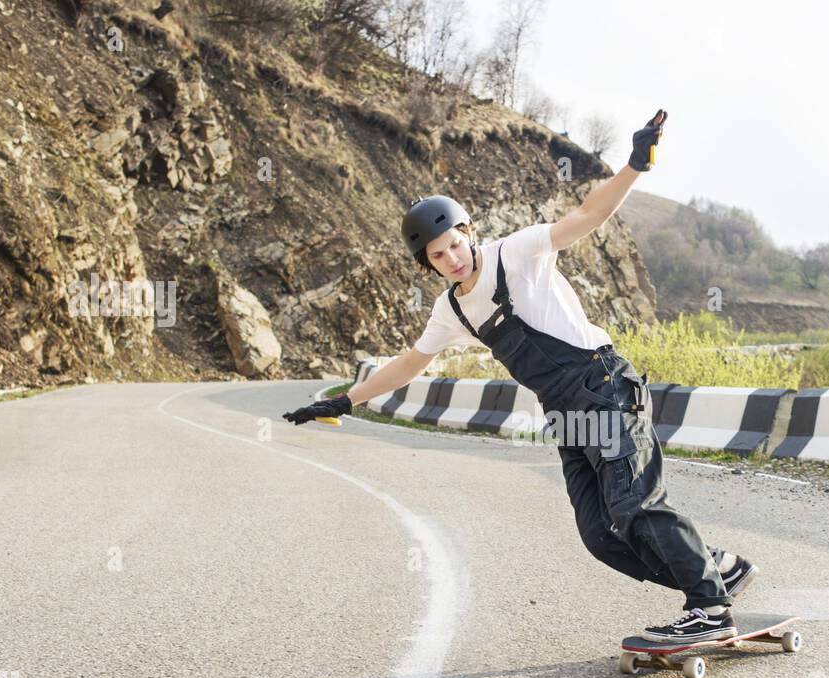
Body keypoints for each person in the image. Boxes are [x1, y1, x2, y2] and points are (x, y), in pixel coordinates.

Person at [284, 109, 758, 643]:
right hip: (567, 415)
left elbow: (587, 216)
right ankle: (715, 570)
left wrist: (633, 166)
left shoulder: (518, 252)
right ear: (428, 264)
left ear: (469, 232)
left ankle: (709, 607)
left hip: (603, 388)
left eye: (456, 244)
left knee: (633, 506)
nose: (453, 258)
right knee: (601, 536)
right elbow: (411, 363)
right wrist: (345, 401)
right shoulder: (453, 311)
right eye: (438, 256)